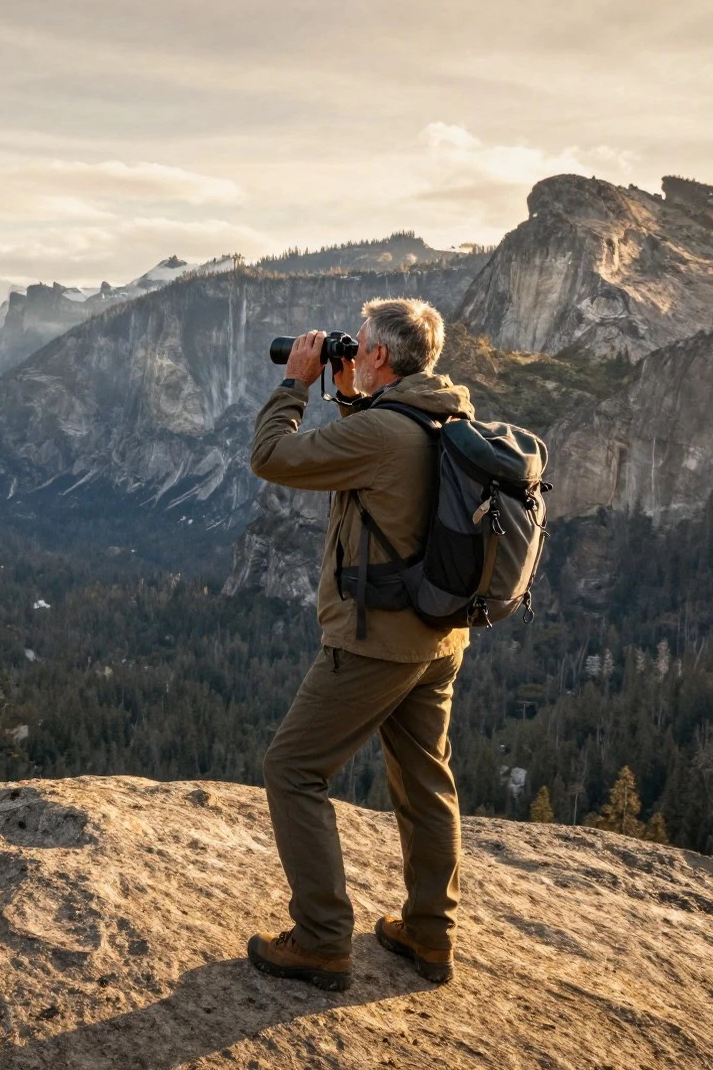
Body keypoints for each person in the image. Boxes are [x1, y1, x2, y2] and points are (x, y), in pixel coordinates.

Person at [244, 297, 471, 991]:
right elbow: (385, 477)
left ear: (377, 356)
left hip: (377, 641)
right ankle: (429, 936)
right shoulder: (439, 413)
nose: (350, 349)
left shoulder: (384, 431)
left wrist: (297, 385)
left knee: (293, 770)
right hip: (438, 637)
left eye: (360, 342)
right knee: (425, 781)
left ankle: (320, 940)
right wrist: (350, 402)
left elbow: (272, 458)